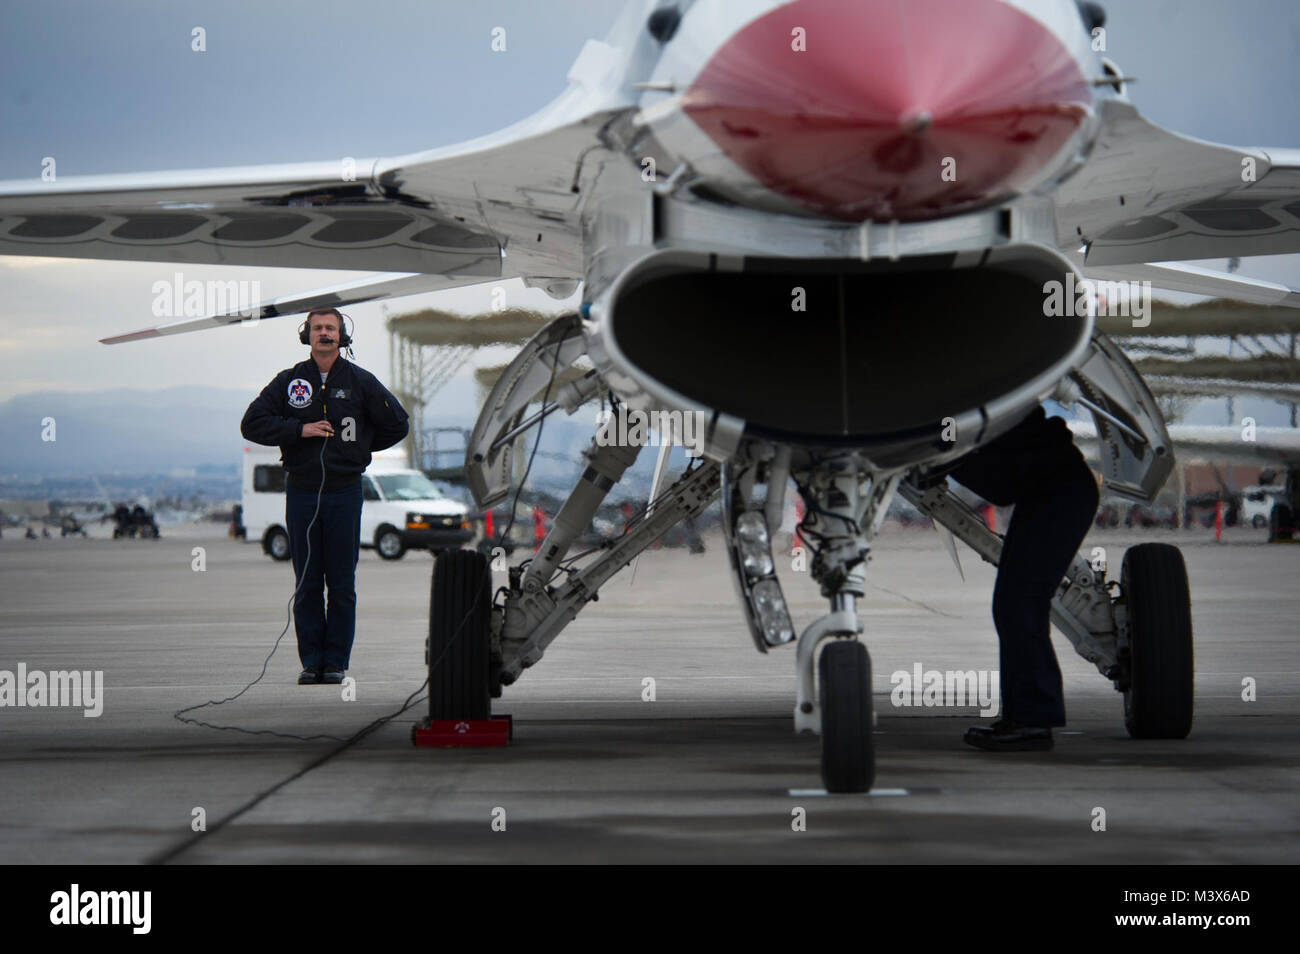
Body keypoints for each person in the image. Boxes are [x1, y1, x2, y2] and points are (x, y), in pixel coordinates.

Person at [240, 308, 409, 685]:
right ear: (307, 334)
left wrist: (359, 449)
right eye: (317, 328)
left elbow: (398, 423)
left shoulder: (362, 381)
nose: (324, 334)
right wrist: (299, 430)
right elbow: (251, 424)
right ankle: (311, 662)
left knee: (342, 582)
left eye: (331, 328)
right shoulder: (288, 382)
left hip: (344, 492)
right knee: (307, 582)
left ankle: (335, 663)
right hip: (301, 492)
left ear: (342, 334)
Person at [947, 405, 1099, 751]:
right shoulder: (983, 414)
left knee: (1020, 604)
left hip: (1060, 496)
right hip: (1050, 496)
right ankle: (1023, 716)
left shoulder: (979, 419)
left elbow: (1000, 488)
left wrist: (944, 460)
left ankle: (1032, 720)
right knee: (1014, 605)